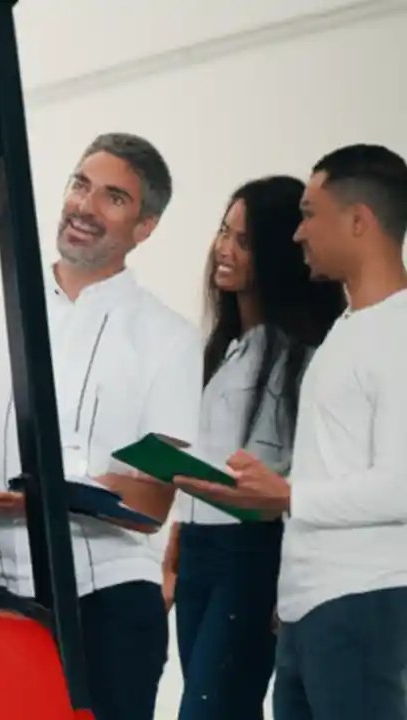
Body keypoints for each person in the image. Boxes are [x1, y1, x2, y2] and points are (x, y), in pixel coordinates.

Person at [0, 132, 202, 720]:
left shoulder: (168, 340)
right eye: (80, 184)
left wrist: (43, 496)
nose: (85, 206)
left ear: (145, 227)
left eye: (113, 198)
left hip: (110, 606)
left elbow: (151, 501)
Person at [175, 144, 407, 720]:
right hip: (308, 604)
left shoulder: (398, 332)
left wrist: (287, 495)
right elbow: (332, 469)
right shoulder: (345, 333)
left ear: (358, 222)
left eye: (309, 213)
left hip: (365, 602)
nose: (298, 234)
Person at [163, 176, 344, 720]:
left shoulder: (304, 356)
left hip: (253, 552)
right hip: (197, 548)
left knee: (211, 709)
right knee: (205, 701)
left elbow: (301, 475)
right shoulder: (223, 349)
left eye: (244, 240)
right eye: (224, 231)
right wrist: (176, 537)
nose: (224, 249)